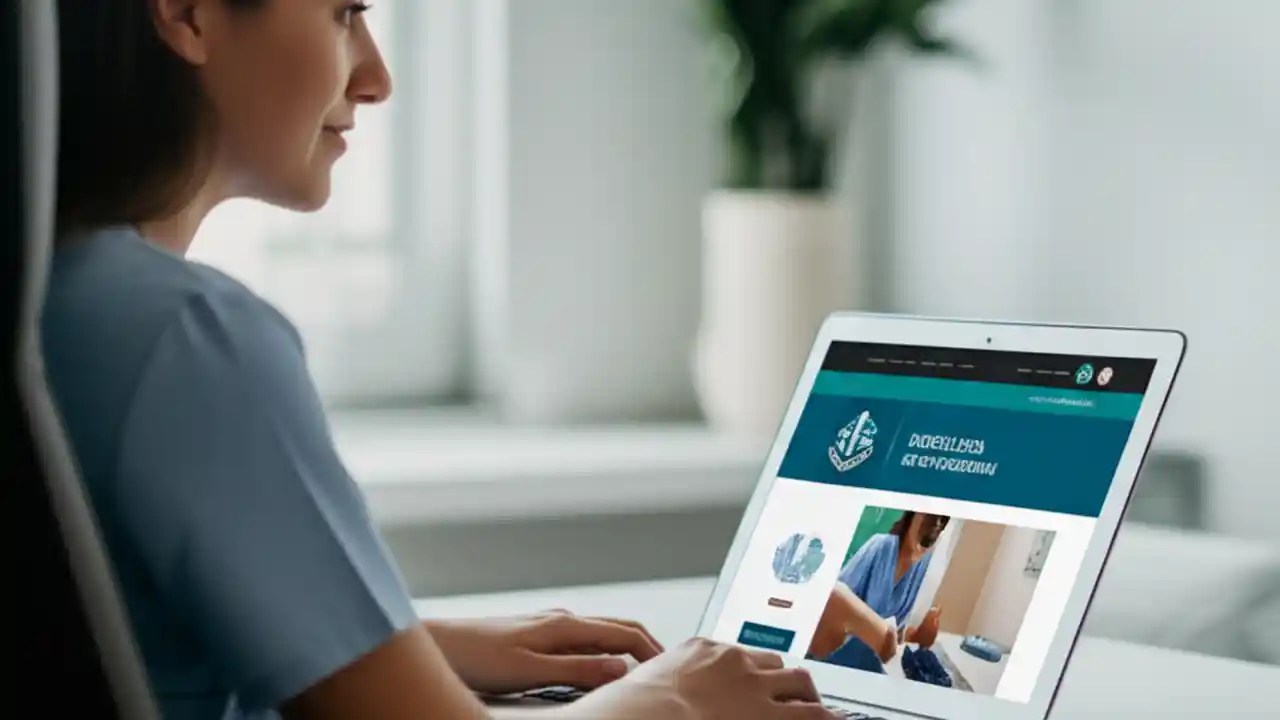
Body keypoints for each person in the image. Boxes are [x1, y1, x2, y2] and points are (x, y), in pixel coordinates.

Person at [42, 2, 838, 719]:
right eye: (343, 14)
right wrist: (673, 701)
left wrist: (403, 644)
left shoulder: (54, 299)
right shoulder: (189, 339)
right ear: (187, 14)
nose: (378, 78)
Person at [808, 512, 950, 666]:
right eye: (931, 517)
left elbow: (900, 635)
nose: (936, 525)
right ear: (914, 515)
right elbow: (832, 605)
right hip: (838, 651)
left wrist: (919, 638)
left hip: (875, 662)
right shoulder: (881, 546)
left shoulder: (923, 566)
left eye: (942, 521)